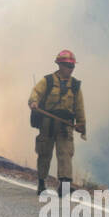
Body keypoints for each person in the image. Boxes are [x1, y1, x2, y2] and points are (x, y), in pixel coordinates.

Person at [27, 50, 86, 195]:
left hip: (65, 126)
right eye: (67, 65)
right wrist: (34, 102)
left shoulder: (76, 86)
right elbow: (35, 93)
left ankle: (64, 188)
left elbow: (79, 107)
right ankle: (41, 184)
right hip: (47, 124)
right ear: (59, 65)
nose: (70, 69)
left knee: (65, 154)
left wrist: (81, 124)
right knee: (44, 153)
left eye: (72, 66)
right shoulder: (47, 81)